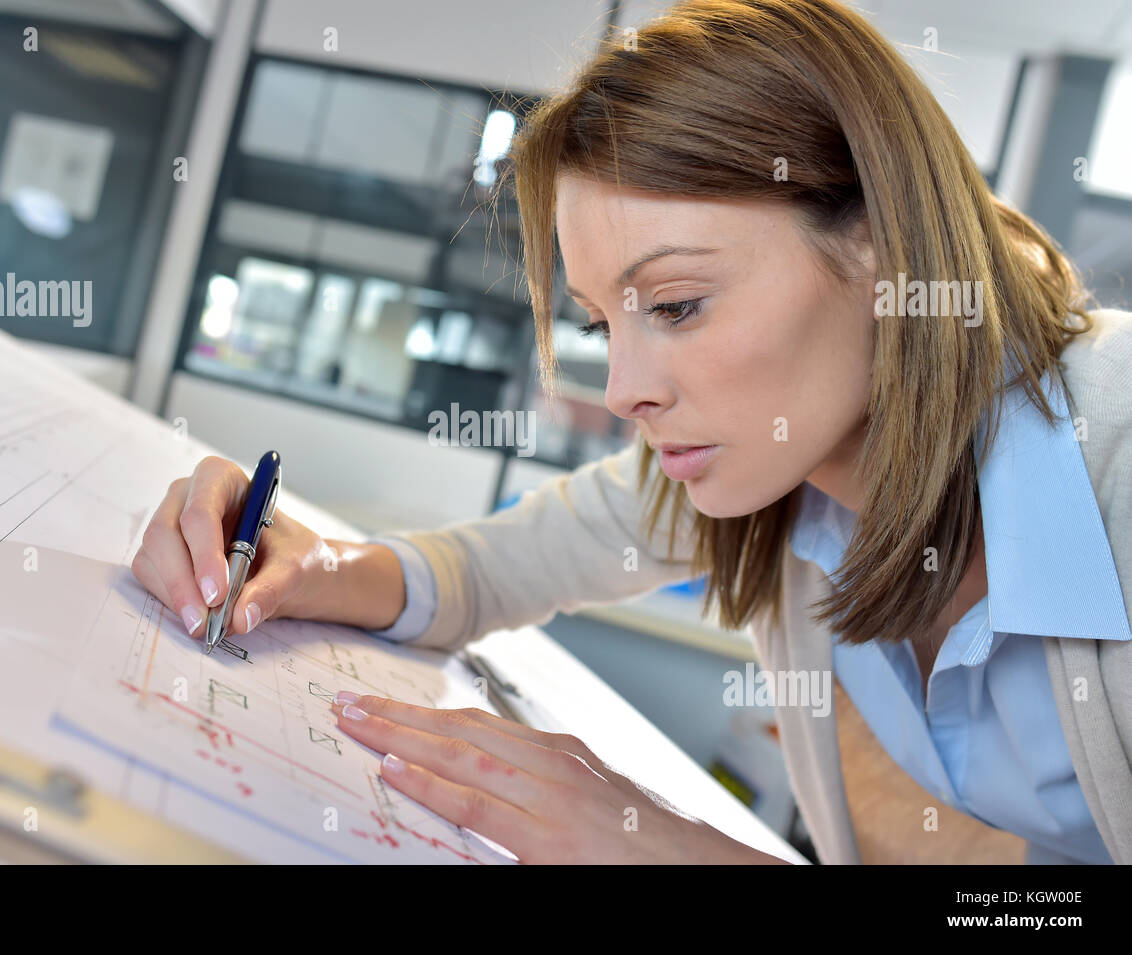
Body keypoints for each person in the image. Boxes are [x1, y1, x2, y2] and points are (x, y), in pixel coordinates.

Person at [131, 0, 1132, 864]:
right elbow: (489, 570)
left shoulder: (1114, 467)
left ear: (879, 249)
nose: (620, 389)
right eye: (600, 322)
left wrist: (679, 848)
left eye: (678, 303)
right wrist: (318, 565)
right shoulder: (781, 461)